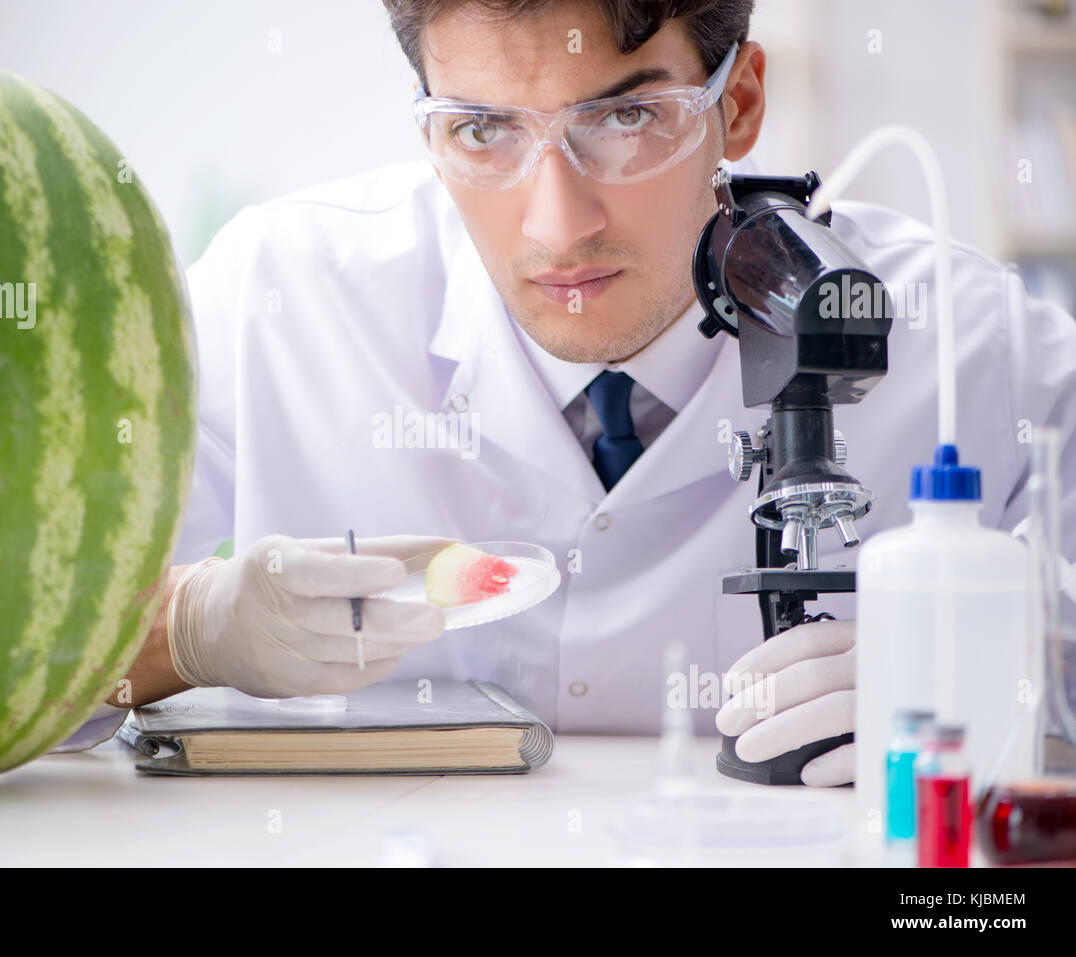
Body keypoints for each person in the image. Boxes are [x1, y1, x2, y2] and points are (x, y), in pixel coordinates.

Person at [52, 0, 1076, 787]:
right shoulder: (273, 303)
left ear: (740, 102)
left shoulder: (977, 347)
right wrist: (187, 629)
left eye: (625, 116)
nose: (554, 226)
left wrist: (1010, 684)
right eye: (481, 130)